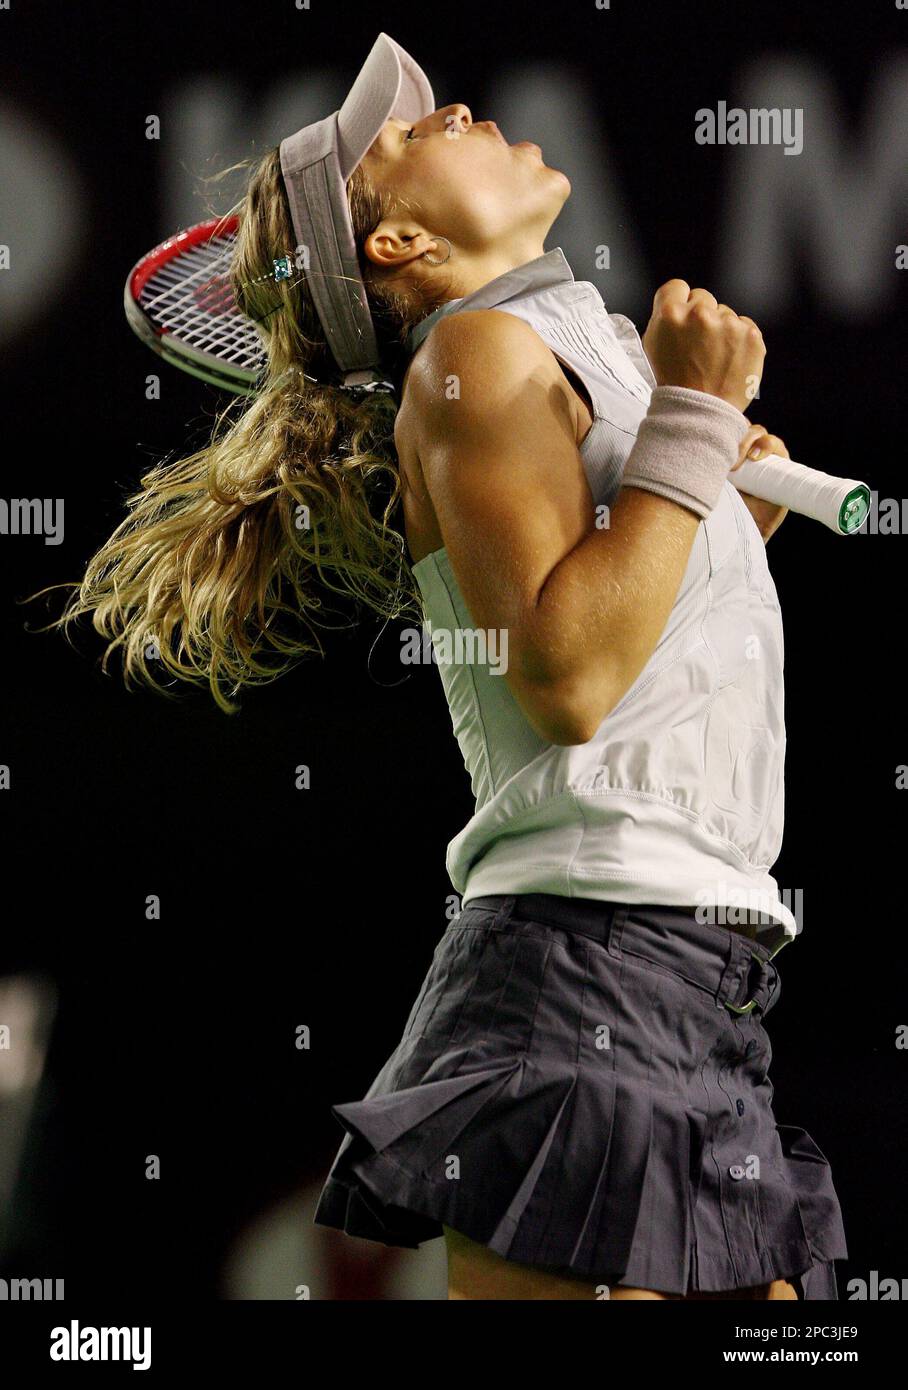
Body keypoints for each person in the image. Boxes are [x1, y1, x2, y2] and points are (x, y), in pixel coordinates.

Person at [45, 33, 847, 1298]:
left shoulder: (574, 360)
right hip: (584, 973)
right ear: (397, 247)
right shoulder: (475, 358)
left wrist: (710, 520)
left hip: (703, 977)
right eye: (413, 137)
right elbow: (565, 678)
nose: (458, 106)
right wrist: (689, 428)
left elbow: (623, 651)